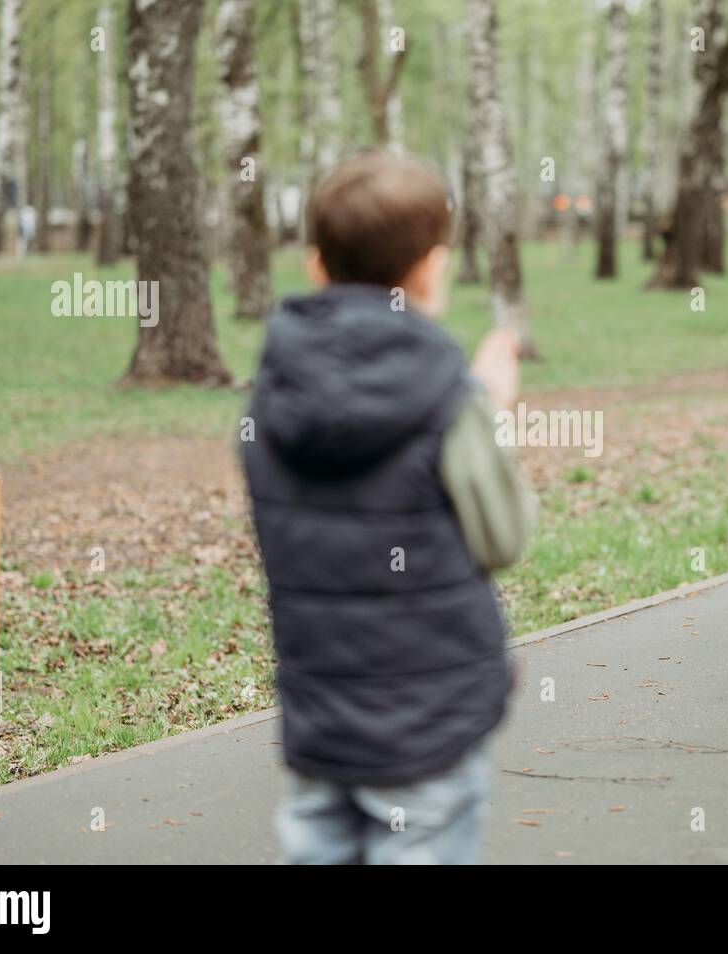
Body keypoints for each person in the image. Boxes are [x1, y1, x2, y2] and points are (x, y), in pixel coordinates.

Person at [241, 150, 532, 863]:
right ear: (430, 270)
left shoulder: (270, 394)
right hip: (429, 722)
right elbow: (504, 538)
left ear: (315, 265)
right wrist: (490, 412)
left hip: (319, 718)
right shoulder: (449, 395)